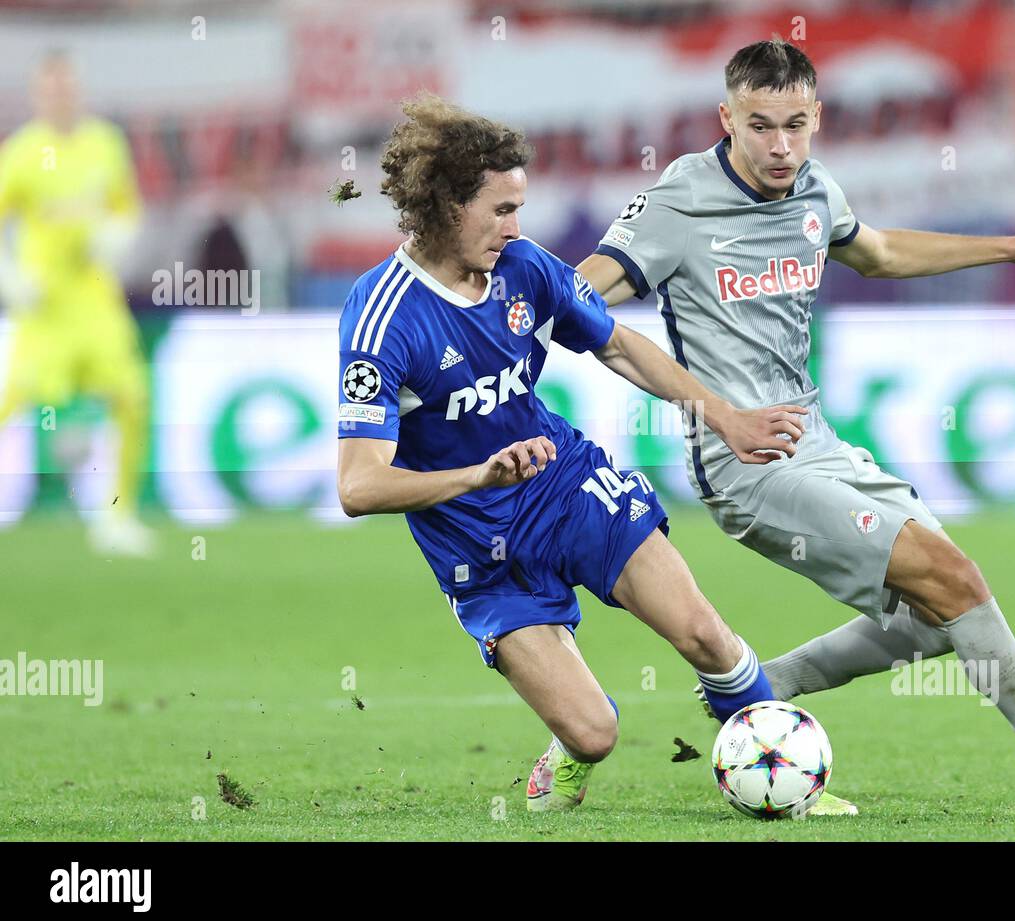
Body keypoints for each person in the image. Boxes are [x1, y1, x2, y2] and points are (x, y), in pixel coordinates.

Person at [577, 39, 1015, 808]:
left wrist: (1014, 246)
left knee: (933, 618)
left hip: (815, 442)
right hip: (744, 464)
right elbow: (577, 305)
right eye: (760, 126)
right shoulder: (680, 202)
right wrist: (718, 415)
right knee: (954, 579)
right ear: (726, 119)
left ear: (816, 118)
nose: (781, 146)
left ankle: (758, 689)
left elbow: (878, 253)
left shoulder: (815, 190)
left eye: (796, 124)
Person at [336, 94, 855, 814]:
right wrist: (476, 475)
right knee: (595, 732)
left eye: (521, 206)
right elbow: (358, 487)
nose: (516, 227)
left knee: (706, 635)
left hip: (562, 485)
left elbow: (616, 343)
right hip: (474, 542)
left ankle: (791, 790)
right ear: (445, 205)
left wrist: (723, 416)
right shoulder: (383, 317)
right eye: (500, 209)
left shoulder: (524, 268)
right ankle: (571, 752)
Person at [0, 51, 152, 555]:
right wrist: (11, 277)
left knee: (131, 397)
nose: (61, 96)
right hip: (43, 310)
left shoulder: (104, 144)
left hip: (96, 302)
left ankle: (116, 517)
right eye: (51, 89)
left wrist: (116, 236)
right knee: (11, 403)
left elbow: (127, 209)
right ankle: (64, 448)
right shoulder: (21, 153)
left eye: (67, 87)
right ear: (38, 95)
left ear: (77, 91)